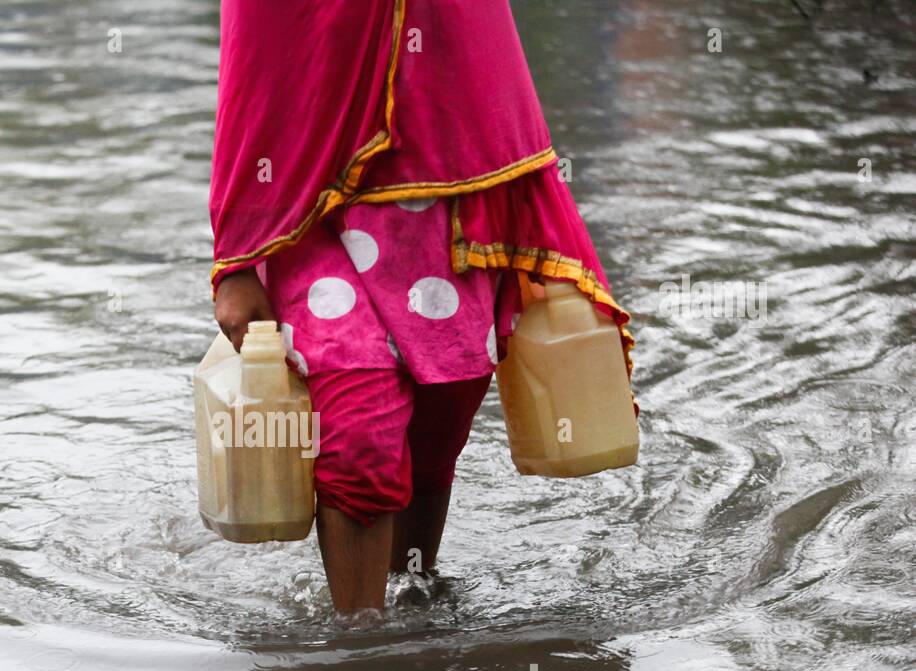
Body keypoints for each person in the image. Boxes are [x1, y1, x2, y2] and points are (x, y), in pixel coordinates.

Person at [209, 0, 634, 612]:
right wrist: (236, 260)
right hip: (310, 197)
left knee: (438, 427)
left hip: (455, 178)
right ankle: (363, 652)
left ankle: (414, 618)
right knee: (360, 439)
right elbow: (255, 54)